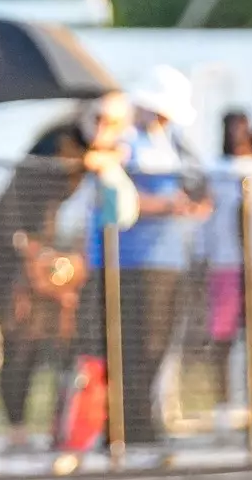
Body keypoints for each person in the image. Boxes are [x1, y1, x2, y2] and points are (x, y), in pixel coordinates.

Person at [0, 96, 129, 450]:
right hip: (17, 252)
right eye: (100, 120)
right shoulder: (60, 141)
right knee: (22, 341)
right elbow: (38, 189)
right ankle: (16, 427)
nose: (104, 129)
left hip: (58, 254)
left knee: (63, 343)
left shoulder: (106, 156)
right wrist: (89, 159)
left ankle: (64, 423)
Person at [89, 65, 211, 444]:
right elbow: (115, 197)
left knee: (157, 344)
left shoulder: (171, 142)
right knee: (130, 345)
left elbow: (195, 184)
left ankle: (142, 419)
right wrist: (165, 204)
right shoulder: (121, 140)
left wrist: (191, 204)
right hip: (129, 261)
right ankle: (124, 424)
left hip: (166, 259)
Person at [203, 110, 252, 432]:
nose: (237, 135)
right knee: (223, 337)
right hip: (224, 264)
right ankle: (225, 405)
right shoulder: (214, 169)